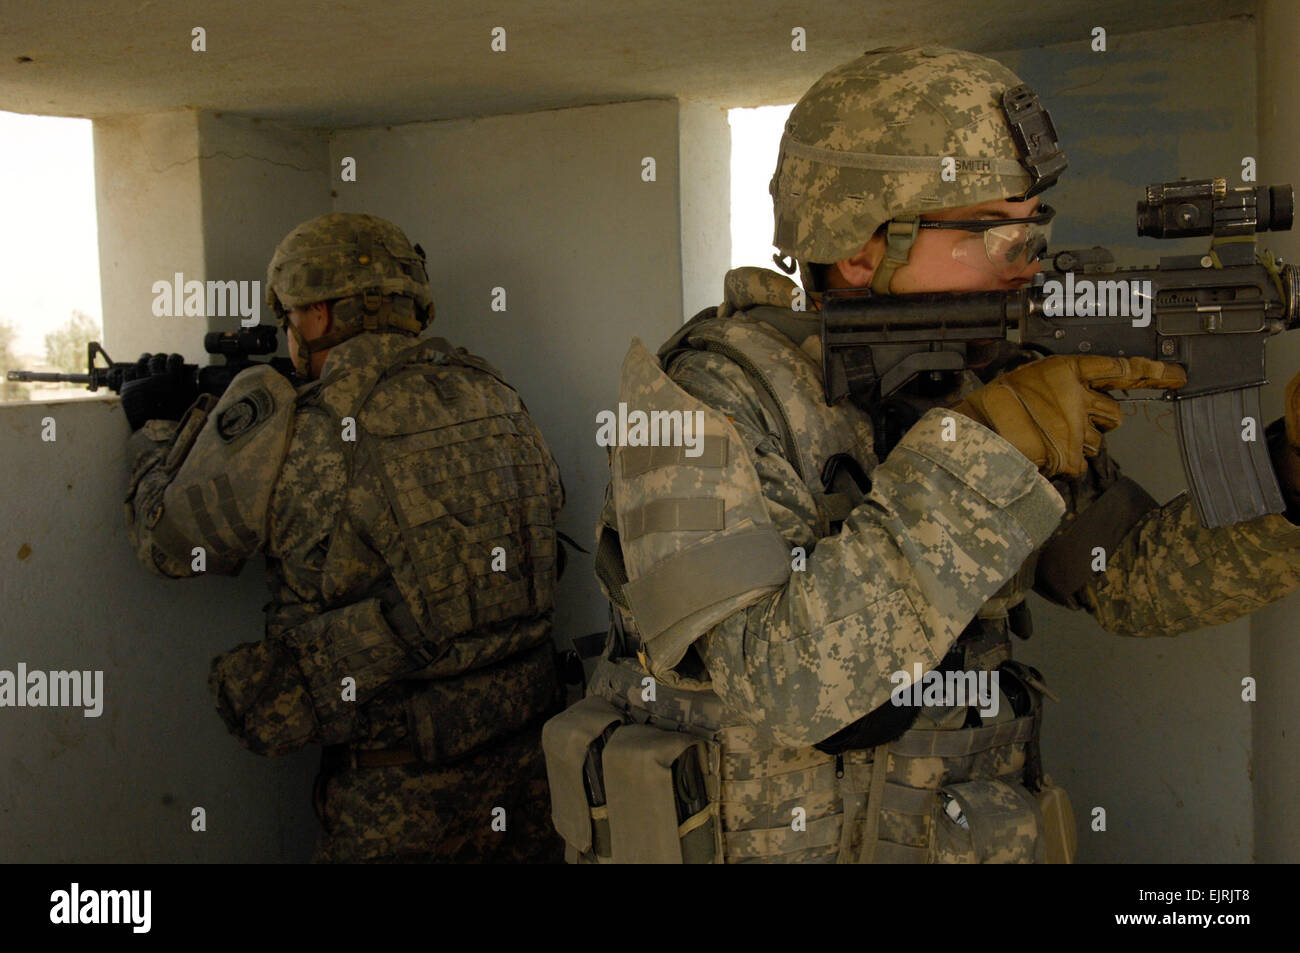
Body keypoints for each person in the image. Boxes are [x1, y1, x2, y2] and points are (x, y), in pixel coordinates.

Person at [542, 46, 1300, 864]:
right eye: (1001, 235)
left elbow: (1131, 578)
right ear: (863, 246)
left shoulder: (978, 375)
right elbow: (785, 689)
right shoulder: (704, 400)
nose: (1031, 265)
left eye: (1034, 230)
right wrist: (992, 447)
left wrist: (1290, 478)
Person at [123, 213, 566, 862]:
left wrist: (156, 427)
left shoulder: (305, 423)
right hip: (529, 766)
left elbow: (166, 544)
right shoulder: (492, 390)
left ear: (319, 317)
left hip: (397, 793)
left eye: (290, 316)